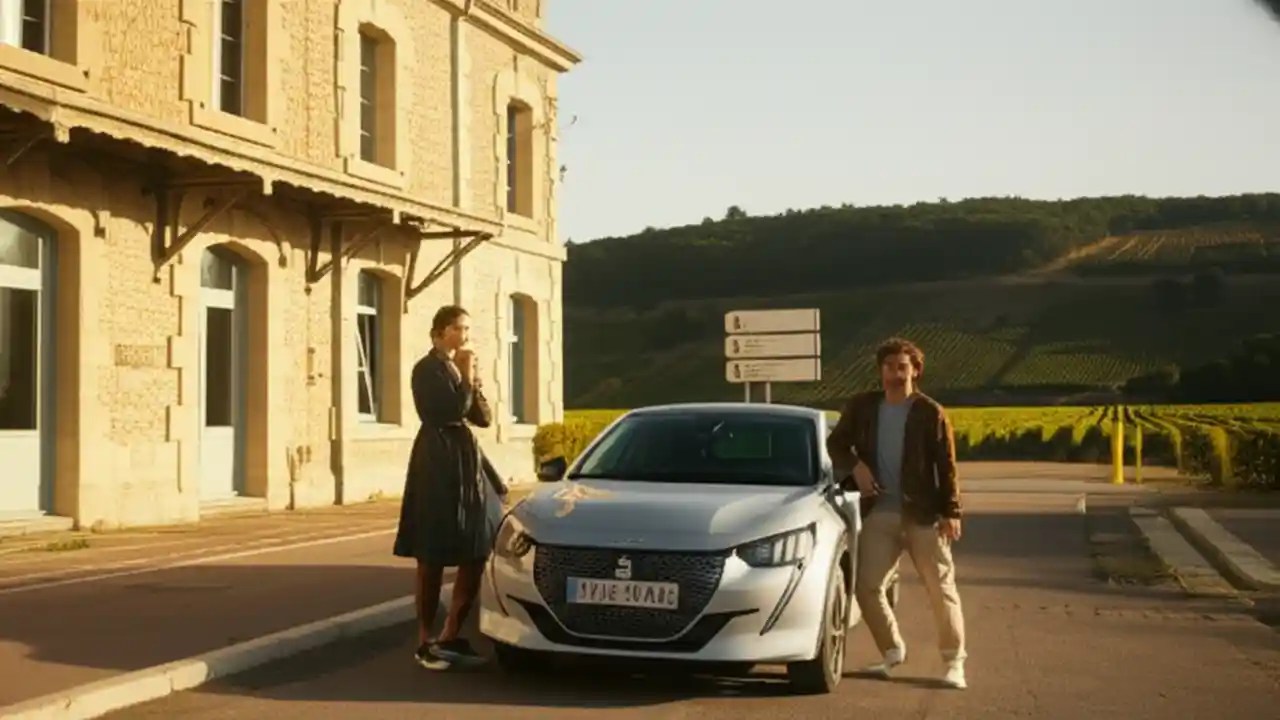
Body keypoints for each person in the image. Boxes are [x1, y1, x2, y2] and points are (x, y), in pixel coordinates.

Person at [826, 337, 968, 690]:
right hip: (881, 512)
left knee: (940, 589)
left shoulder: (929, 412)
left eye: (902, 367)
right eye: (888, 367)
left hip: (922, 515)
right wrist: (856, 466)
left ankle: (954, 662)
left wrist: (951, 511)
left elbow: (946, 465)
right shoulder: (863, 407)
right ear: (880, 371)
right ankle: (892, 650)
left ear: (915, 370)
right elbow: (835, 444)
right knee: (866, 586)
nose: (895, 373)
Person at [393, 304, 505, 670]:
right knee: (433, 551)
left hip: (466, 462)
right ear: (440, 332)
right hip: (437, 461)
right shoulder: (426, 370)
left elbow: (482, 418)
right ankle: (425, 640)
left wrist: (475, 381)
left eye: (468, 329)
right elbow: (449, 412)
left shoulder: (459, 369)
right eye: (459, 329)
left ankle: (452, 633)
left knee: (477, 546)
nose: (465, 337)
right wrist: (467, 374)